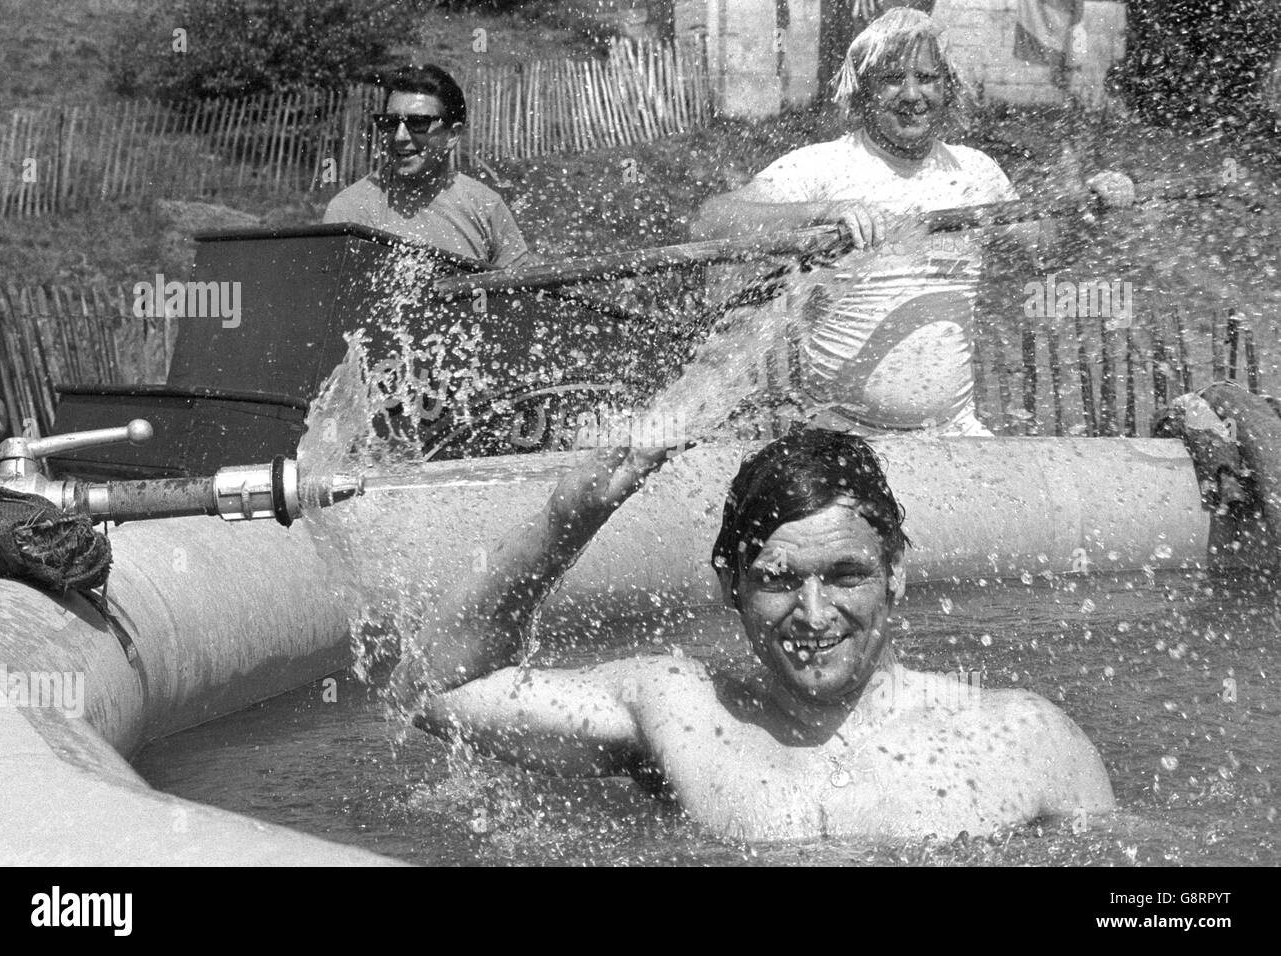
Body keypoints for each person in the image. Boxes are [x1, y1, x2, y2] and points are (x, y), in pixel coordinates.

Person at [392, 429, 1114, 841]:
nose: (814, 613)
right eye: (776, 579)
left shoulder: (1022, 739)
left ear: (896, 572)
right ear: (727, 587)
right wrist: (564, 521)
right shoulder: (680, 711)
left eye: (844, 575)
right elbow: (430, 693)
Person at [684, 7, 1134, 438]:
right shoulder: (823, 168)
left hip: (953, 430)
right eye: (893, 79)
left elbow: (1045, 250)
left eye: (926, 78)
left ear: (947, 88)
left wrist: (1089, 213)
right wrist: (822, 213)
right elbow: (710, 222)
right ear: (864, 91)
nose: (912, 94)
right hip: (839, 435)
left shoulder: (974, 172)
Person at [323, 64, 530, 268]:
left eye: (418, 123)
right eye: (392, 122)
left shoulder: (485, 207)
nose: (400, 136)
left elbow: (523, 293)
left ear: (452, 135)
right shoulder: (349, 212)